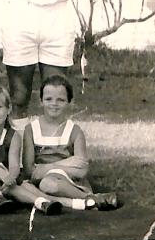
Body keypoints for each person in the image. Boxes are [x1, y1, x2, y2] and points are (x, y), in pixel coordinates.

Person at [22, 75, 119, 210]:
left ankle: (84, 198)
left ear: (69, 102)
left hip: (68, 182)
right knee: (25, 187)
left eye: (60, 100)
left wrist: (46, 168)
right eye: (48, 99)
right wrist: (66, 163)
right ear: (41, 101)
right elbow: (30, 171)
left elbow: (81, 170)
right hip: (39, 182)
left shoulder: (74, 131)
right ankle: (86, 202)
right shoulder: (31, 129)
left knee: (49, 185)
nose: (54, 104)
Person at [0, 84, 61, 214]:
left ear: (8, 109)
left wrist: (10, 178)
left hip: (4, 180)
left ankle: (41, 202)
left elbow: (14, 166)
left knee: (13, 187)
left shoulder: (13, 136)